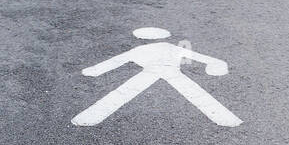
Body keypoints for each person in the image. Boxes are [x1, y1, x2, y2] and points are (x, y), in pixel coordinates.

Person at [72, 27, 242, 126]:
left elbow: (117, 61)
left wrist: (95, 70)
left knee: (123, 92)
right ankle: (224, 118)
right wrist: (215, 65)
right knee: (195, 93)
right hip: (168, 73)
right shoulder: (170, 47)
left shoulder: (140, 50)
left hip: (159, 72)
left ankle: (91, 116)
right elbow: (202, 58)